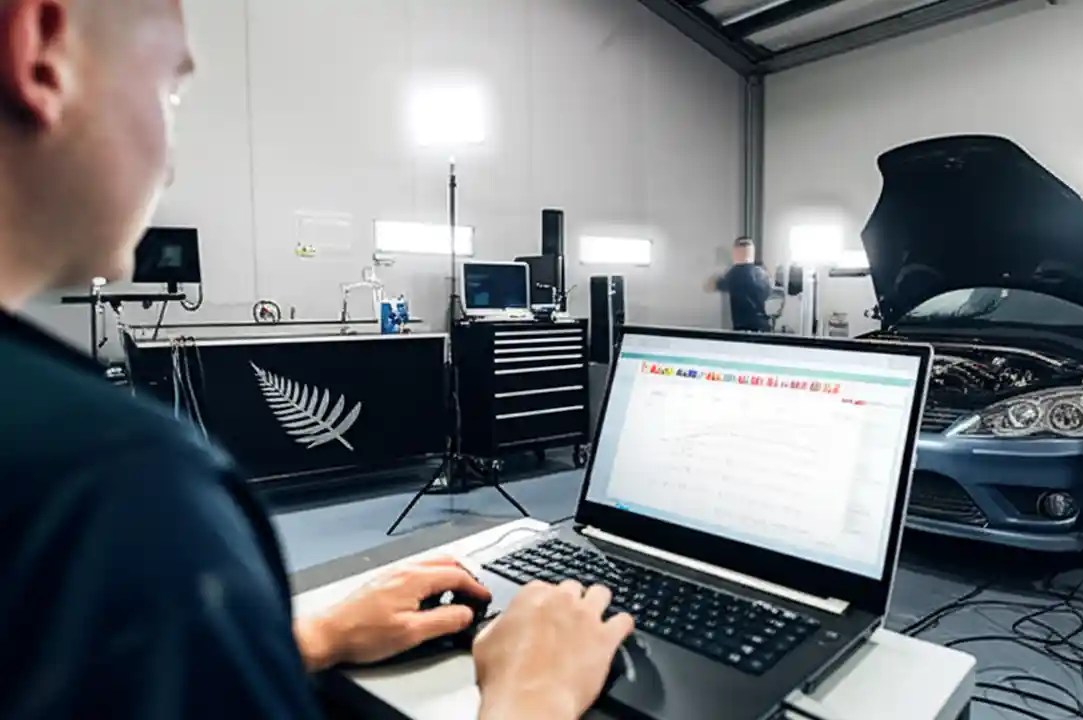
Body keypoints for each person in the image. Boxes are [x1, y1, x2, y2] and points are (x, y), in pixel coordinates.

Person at [0, 2, 632, 719]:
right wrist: (537, 694)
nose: (169, 163)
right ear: (42, 49)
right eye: (168, 89)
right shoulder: (113, 483)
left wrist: (305, 639)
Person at [708, 237, 774, 332]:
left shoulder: (734, 274)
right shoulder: (763, 273)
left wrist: (716, 275)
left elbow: (711, 286)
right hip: (763, 327)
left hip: (743, 329)